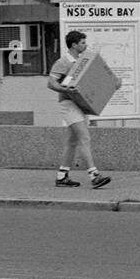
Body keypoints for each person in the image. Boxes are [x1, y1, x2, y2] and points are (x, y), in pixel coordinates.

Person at [48, 30, 111, 188]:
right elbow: (51, 83)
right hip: (68, 104)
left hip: (80, 104)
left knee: (72, 141)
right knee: (84, 138)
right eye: (82, 42)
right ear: (74, 45)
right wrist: (66, 90)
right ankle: (94, 175)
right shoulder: (63, 62)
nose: (85, 45)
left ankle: (62, 176)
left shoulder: (83, 60)